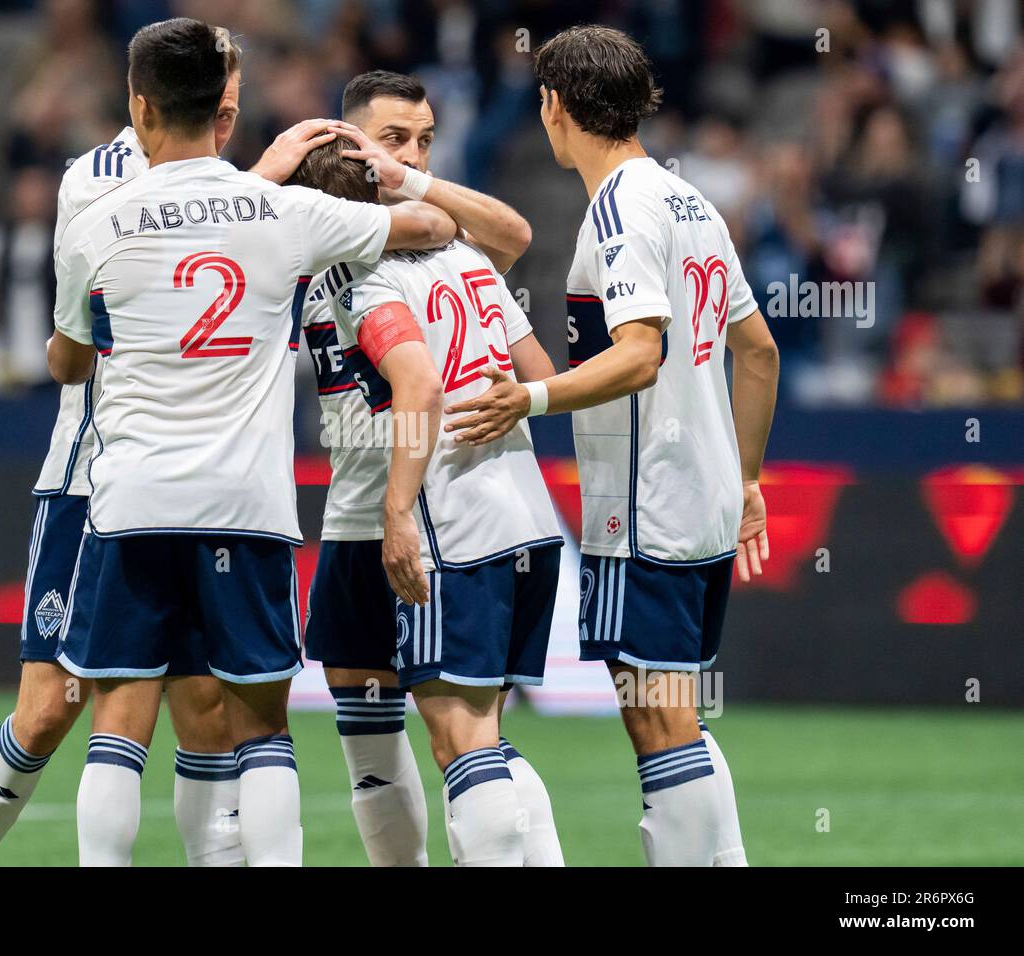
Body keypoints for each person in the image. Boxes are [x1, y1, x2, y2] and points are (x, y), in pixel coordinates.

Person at [47, 16, 457, 867]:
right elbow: (432, 232)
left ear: (141, 106)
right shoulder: (288, 211)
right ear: (223, 113)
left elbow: (65, 362)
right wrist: (392, 181)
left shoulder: (98, 219)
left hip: (131, 501)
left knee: (120, 715)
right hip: (249, 509)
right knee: (261, 722)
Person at [444, 24, 780, 867]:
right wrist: (746, 479)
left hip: (648, 505)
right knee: (676, 715)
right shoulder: (688, 197)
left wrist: (533, 396)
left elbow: (639, 353)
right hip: (701, 497)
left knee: (659, 719)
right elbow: (760, 351)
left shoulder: (622, 206)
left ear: (556, 106)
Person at [0, 28, 261, 869]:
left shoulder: (239, 185)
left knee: (205, 706)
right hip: (93, 475)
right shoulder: (96, 180)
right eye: (214, 109)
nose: (224, 126)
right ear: (155, 100)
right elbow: (80, 343)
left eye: (233, 112)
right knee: (52, 708)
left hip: (198, 482)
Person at [255, 69, 554, 866]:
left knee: (465, 738)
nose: (409, 156)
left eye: (424, 141)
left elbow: (429, 376)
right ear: (348, 141)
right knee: (376, 730)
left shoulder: (401, 251)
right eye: (395, 140)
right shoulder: (434, 249)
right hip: (380, 513)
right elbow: (531, 369)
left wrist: (402, 506)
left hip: (428, 517)